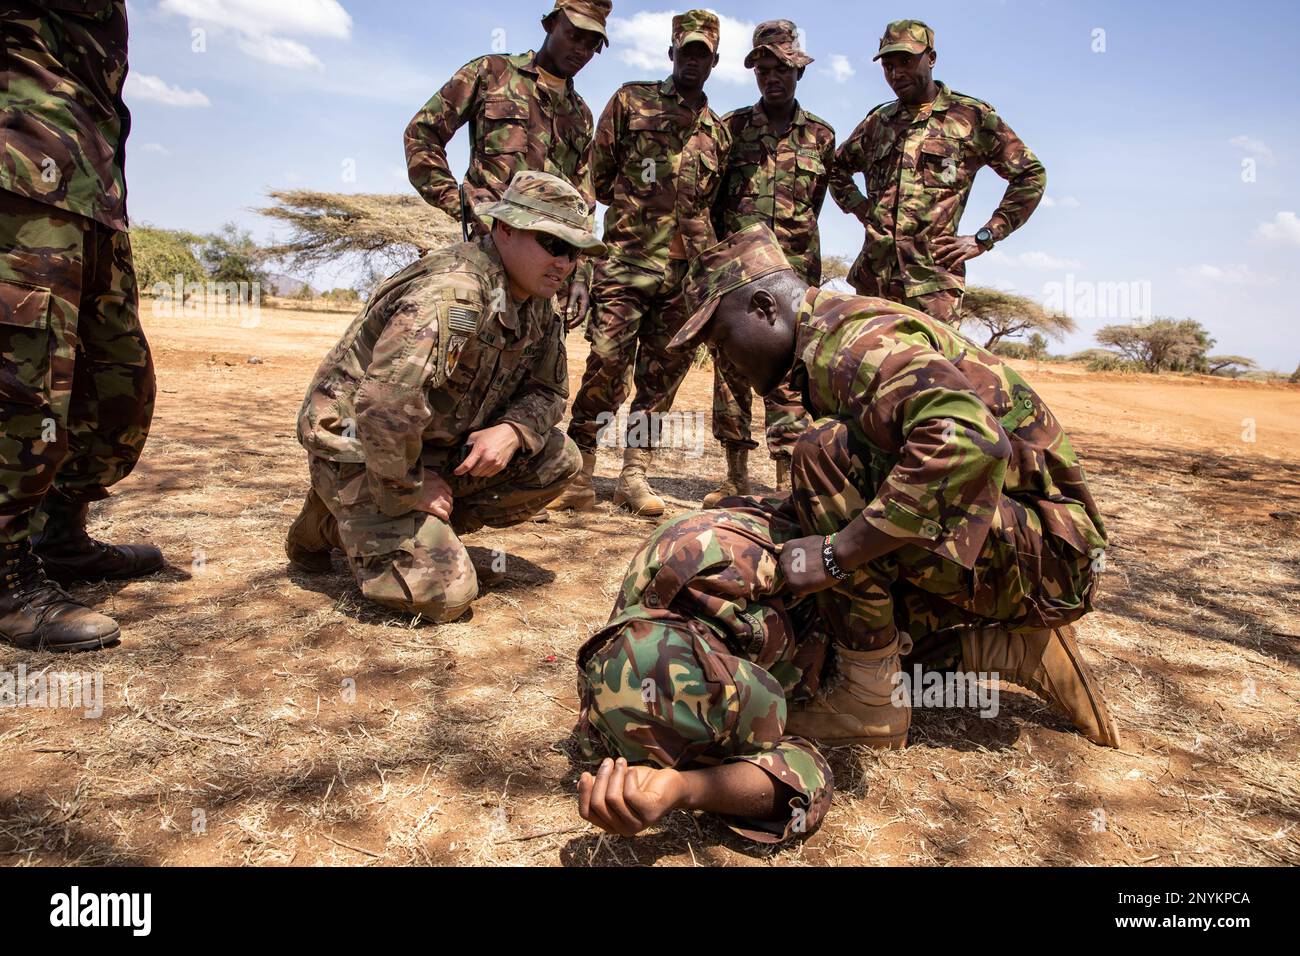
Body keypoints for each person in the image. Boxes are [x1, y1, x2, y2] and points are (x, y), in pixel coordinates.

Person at [666, 223, 1122, 750]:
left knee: (825, 453)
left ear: (765, 307)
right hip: (1028, 550)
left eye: (721, 341)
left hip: (1049, 560)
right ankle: (1015, 650)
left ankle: (870, 703)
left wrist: (838, 553)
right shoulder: (831, 335)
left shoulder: (853, 344)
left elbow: (972, 441)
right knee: (840, 624)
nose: (725, 364)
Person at [284, 172, 604, 623]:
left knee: (557, 458)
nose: (565, 264)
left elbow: (550, 391)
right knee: (445, 597)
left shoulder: (536, 304)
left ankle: (401, 527)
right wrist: (409, 487)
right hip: (361, 450)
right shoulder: (454, 292)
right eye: (553, 244)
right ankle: (339, 519)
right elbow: (384, 405)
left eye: (575, 252)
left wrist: (513, 430)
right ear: (504, 229)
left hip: (429, 446)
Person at [0, 1, 162, 652]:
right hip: (17, 162)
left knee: (116, 380)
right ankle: (5, 573)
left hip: (90, 184)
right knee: (23, 380)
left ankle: (60, 533)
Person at [548, 10, 731, 517]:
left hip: (683, 278)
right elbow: (595, 180)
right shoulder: (632, 100)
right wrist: (591, 253)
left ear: (714, 61)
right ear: (672, 52)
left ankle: (634, 475)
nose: (694, 60)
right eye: (686, 50)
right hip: (626, 263)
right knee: (606, 363)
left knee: (660, 381)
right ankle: (580, 469)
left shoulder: (719, 133)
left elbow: (713, 208)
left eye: (704, 54)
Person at [575, 502, 833, 844]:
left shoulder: (738, 563)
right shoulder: (618, 711)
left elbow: (822, 557)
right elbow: (805, 774)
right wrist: (685, 789)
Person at [404, 0, 611, 326]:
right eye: (574, 35)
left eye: (592, 45)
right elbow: (421, 135)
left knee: (532, 368)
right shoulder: (491, 73)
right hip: (485, 253)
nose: (581, 51)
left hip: (545, 272)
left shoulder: (581, 115)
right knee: (462, 354)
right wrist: (463, 203)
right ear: (550, 24)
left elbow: (584, 200)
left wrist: (581, 273)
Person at [829, 19, 1046, 325]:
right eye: (888, 65)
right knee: (864, 372)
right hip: (872, 281)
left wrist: (985, 236)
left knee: (933, 372)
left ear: (931, 58)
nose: (896, 72)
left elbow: (1030, 175)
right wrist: (862, 208)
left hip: (932, 287)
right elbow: (836, 168)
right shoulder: (878, 122)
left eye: (906, 60)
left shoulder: (970, 116)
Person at [704, 19, 832, 505]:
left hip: (795, 278)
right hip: (738, 278)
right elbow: (712, 198)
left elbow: (815, 204)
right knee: (732, 369)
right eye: (762, 70)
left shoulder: (822, 135)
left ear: (798, 71)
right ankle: (735, 476)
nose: (771, 78)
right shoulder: (731, 129)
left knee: (792, 375)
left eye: (780, 69)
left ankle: (786, 478)